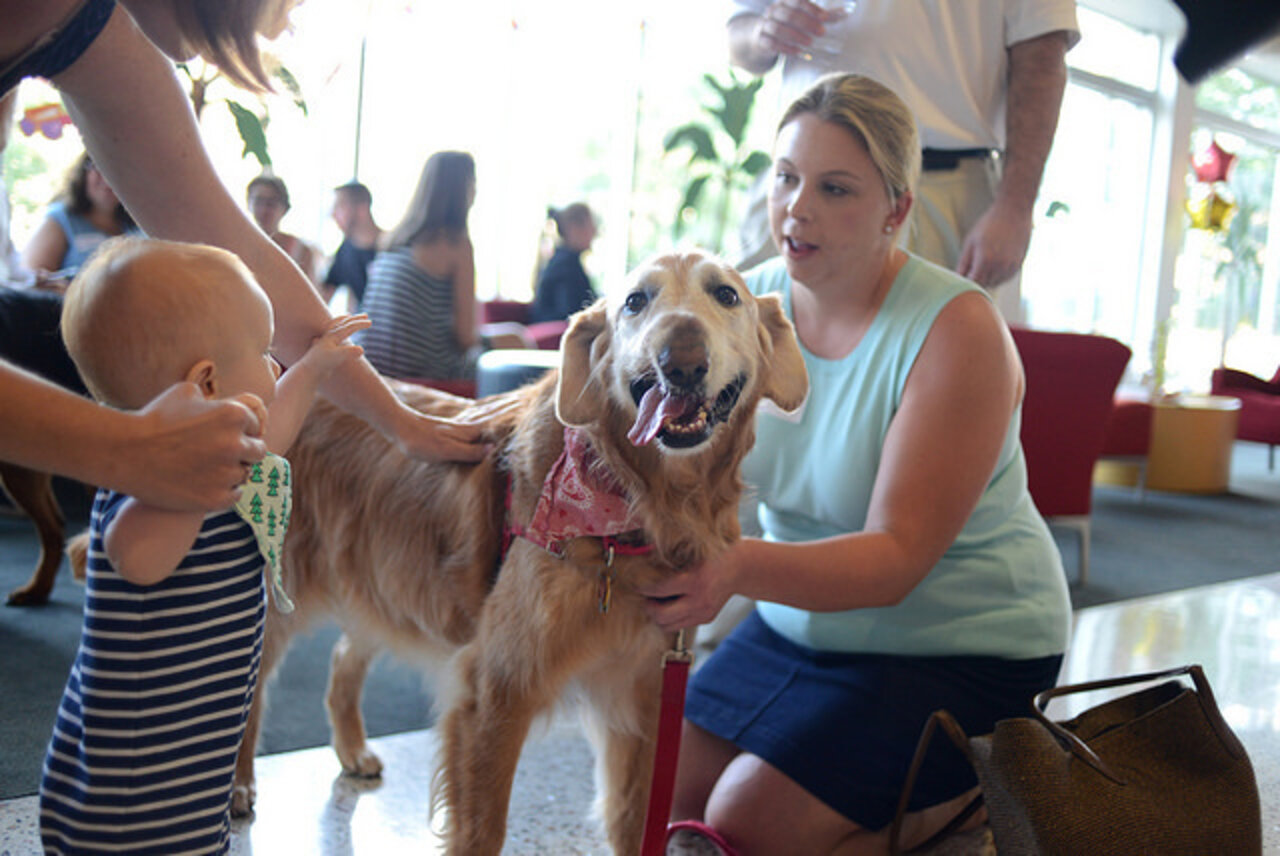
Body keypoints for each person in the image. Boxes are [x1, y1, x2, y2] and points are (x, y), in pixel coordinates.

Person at [641, 74, 1071, 855]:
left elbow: (896, 558)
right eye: (785, 177)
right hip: (798, 616)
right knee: (655, 789)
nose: (796, 208)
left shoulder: (958, 328)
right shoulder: (740, 301)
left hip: (961, 641)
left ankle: (975, 799)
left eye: (835, 188)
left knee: (745, 824)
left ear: (897, 210)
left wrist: (730, 568)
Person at [0, 0, 487, 506]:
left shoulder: (95, 30)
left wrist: (402, 424)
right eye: (290, 3)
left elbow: (243, 255)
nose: (281, 29)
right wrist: (130, 452)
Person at [40, 236, 370, 854]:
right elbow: (131, 558)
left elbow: (274, 431)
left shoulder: (220, 461)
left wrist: (315, 367)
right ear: (207, 383)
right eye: (264, 353)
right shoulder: (154, 485)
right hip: (128, 796)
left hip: (192, 769)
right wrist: (184, 498)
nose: (274, 368)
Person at [727, 0, 1079, 323]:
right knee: (743, 351)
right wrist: (763, 32)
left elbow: (1042, 56)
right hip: (793, 177)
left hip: (938, 185)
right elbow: (738, 35)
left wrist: (1016, 206)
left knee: (930, 361)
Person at [359, 150, 529, 382]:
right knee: (517, 339)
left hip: (374, 363)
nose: (476, 191)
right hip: (426, 369)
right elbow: (465, 337)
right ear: (462, 188)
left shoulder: (395, 240)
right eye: (473, 182)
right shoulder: (455, 244)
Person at [22, 151, 141, 284]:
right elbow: (31, 284)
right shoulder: (61, 220)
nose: (108, 179)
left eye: (118, 172)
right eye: (99, 167)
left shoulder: (141, 224)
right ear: (84, 173)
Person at [529, 201, 598, 324]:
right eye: (591, 225)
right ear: (573, 229)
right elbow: (570, 314)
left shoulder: (565, 261)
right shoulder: (566, 266)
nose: (595, 232)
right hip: (554, 338)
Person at [246, 173, 321, 284]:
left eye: (271, 203)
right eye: (258, 201)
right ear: (249, 204)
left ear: (285, 208)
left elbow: (312, 296)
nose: (264, 209)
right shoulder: (238, 244)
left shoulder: (301, 251)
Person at [322, 179, 381, 311]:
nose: (332, 214)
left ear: (362, 208)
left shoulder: (392, 250)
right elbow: (323, 298)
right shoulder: (345, 250)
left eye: (339, 206)